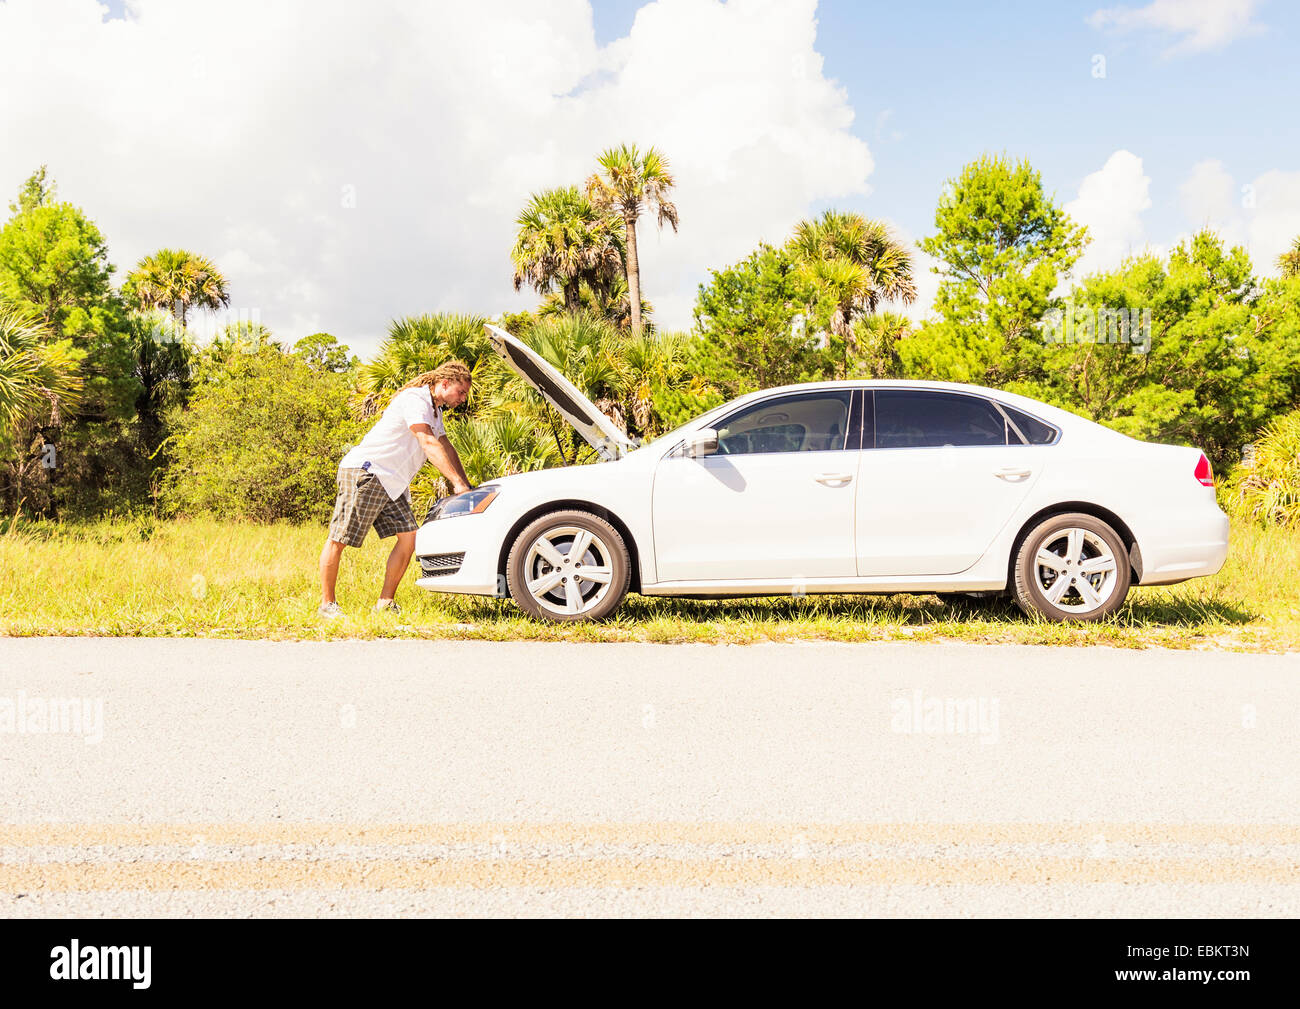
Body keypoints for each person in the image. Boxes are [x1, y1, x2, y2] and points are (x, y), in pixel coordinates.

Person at [319, 361, 473, 618]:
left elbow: (445, 445)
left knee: (409, 537)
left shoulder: (436, 411)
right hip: (368, 472)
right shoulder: (416, 399)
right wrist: (456, 484)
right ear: (445, 383)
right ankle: (327, 605)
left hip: (393, 482)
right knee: (339, 539)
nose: (462, 399)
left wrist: (465, 484)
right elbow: (426, 441)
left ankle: (385, 603)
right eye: (461, 392)